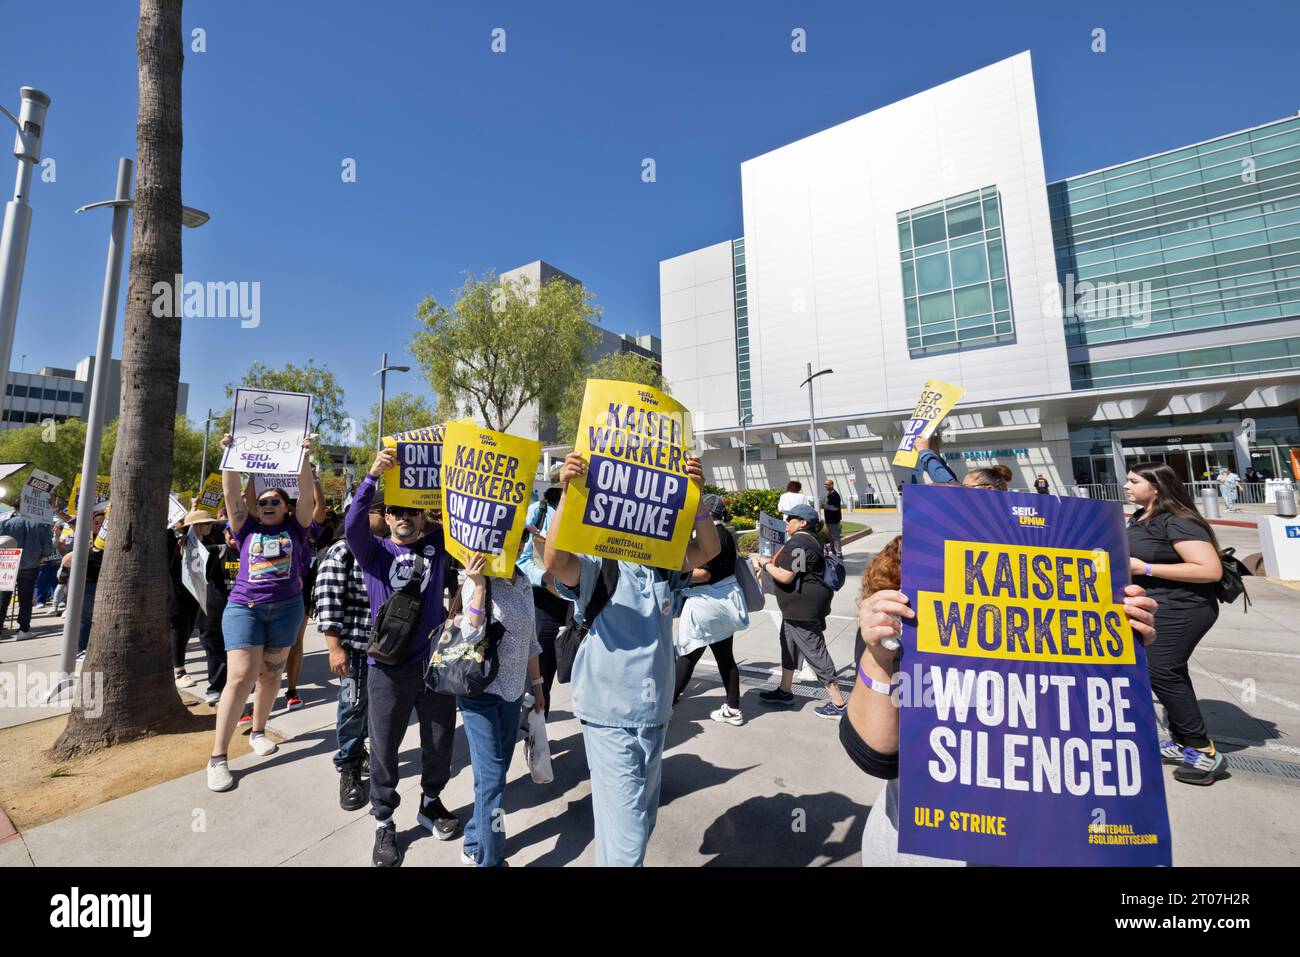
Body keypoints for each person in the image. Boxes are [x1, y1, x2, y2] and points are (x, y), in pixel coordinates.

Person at [841, 534, 1159, 865]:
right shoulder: (895, 632)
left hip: (1046, 841)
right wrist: (879, 656)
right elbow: (875, 757)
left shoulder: (1051, 634)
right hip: (923, 845)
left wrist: (1122, 647)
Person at [543, 450, 720, 866]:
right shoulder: (597, 562)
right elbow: (554, 561)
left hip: (654, 714)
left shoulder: (662, 562)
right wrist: (569, 492)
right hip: (608, 714)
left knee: (637, 820)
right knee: (629, 837)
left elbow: (707, 548)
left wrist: (695, 498)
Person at [347, 448, 460, 867]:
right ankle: (384, 821)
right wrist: (373, 476)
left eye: (414, 510)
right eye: (397, 511)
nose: (405, 517)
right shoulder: (374, 552)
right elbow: (354, 521)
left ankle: (431, 802)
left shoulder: (436, 544)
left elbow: (463, 518)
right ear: (387, 516)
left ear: (423, 516)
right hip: (387, 668)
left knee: (438, 738)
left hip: (434, 664)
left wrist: (447, 483)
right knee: (385, 746)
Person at [207, 433, 317, 793]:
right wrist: (230, 454)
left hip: (287, 609)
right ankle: (218, 758)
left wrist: (304, 457)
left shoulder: (296, 529)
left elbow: (308, 496)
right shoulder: (246, 527)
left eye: (275, 501)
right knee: (240, 676)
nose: (268, 503)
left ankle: (257, 731)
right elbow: (232, 494)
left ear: (287, 508)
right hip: (245, 608)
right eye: (264, 501)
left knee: (271, 675)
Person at [1125, 462, 1226, 786]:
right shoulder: (1140, 517)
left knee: (1160, 670)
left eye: (1133, 481)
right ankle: (1184, 742)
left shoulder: (1178, 520)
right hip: (1157, 606)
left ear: (1156, 487)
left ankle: (1203, 751)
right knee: (1168, 671)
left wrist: (1146, 569)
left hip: (1186, 607)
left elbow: (1210, 570)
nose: (1126, 486)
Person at [451, 552, 544, 867]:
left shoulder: (523, 581)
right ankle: (488, 860)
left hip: (513, 693)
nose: (512, 545)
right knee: (491, 780)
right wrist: (476, 584)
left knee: (494, 775)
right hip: (480, 694)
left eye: (517, 540)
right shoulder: (477, 578)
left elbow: (530, 640)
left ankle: (475, 840)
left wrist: (539, 685)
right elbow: (472, 633)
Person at [314, 490, 385, 812]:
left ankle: (364, 756)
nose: (388, 518)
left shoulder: (387, 549)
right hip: (354, 649)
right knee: (352, 708)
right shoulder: (342, 551)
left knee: (376, 709)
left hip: (385, 649)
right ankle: (349, 768)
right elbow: (329, 601)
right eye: (382, 511)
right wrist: (334, 648)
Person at [751, 503, 846, 720]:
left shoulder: (799, 542)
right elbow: (800, 570)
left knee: (815, 651)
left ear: (802, 522)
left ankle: (839, 704)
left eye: (790, 518)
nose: (786, 522)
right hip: (800, 606)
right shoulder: (811, 539)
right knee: (789, 645)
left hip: (802, 609)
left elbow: (786, 576)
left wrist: (765, 564)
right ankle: (785, 691)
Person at [672, 494, 746, 725]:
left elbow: (704, 573)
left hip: (706, 604)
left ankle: (665, 705)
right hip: (726, 603)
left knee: (687, 654)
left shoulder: (708, 536)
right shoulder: (726, 534)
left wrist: (674, 575)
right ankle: (733, 707)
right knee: (725, 657)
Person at [516, 481, 566, 717]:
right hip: (544, 604)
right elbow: (520, 560)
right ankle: (534, 734)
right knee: (540, 675)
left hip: (578, 605)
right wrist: (545, 578)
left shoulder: (591, 513)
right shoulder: (540, 511)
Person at [0, 508, 56, 639]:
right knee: (26, 599)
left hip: (8, 562)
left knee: (3, 598)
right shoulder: (41, 524)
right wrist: (41, 555)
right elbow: (48, 548)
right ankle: (23, 630)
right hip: (30, 564)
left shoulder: (4, 522)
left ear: (15, 508)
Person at [823, 479, 844, 556]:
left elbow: (836, 507)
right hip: (829, 519)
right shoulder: (829, 494)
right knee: (830, 537)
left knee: (835, 536)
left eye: (827, 484)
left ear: (831, 485)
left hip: (834, 519)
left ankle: (838, 553)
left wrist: (826, 506)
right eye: (824, 484)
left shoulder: (835, 495)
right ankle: (833, 552)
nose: (825, 486)